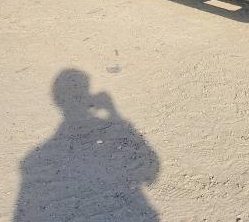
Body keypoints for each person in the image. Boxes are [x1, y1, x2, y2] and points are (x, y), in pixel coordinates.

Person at [13, 69, 160, 221]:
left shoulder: (33, 160)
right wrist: (114, 113)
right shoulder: (33, 161)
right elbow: (151, 173)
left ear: (57, 100)